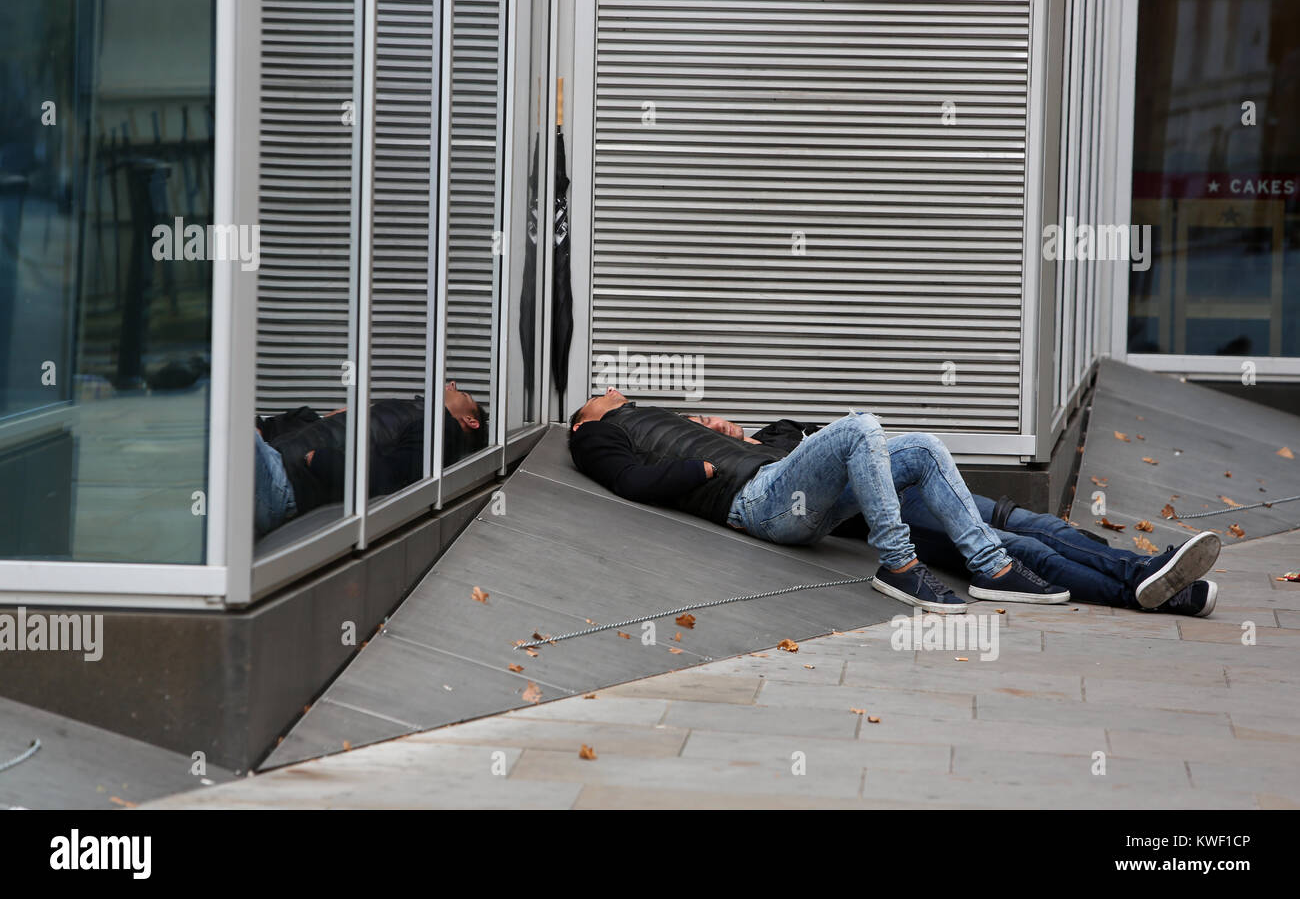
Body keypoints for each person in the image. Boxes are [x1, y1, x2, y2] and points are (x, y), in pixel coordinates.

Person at [568, 388, 1070, 614]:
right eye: (600, 393)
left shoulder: (653, 417)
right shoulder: (592, 433)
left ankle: (994, 569)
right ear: (581, 418)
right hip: (756, 502)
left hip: (784, 491)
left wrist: (735, 439)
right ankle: (897, 564)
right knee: (860, 425)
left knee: (923, 447)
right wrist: (696, 470)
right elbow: (630, 481)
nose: (611, 389)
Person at [687, 414, 1221, 617]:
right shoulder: (764, 481)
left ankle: (1148, 577)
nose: (714, 423)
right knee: (1030, 551)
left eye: (713, 416)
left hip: (925, 488)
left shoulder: (779, 434)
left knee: (1045, 527)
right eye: (701, 423)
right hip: (894, 513)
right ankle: (1147, 587)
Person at [253, 382, 489, 537]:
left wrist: (324, 460)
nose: (452, 385)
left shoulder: (441, 427)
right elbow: (325, 428)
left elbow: (395, 481)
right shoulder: (415, 413)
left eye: (463, 394)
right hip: (274, 466)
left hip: (283, 480)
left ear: (471, 421)